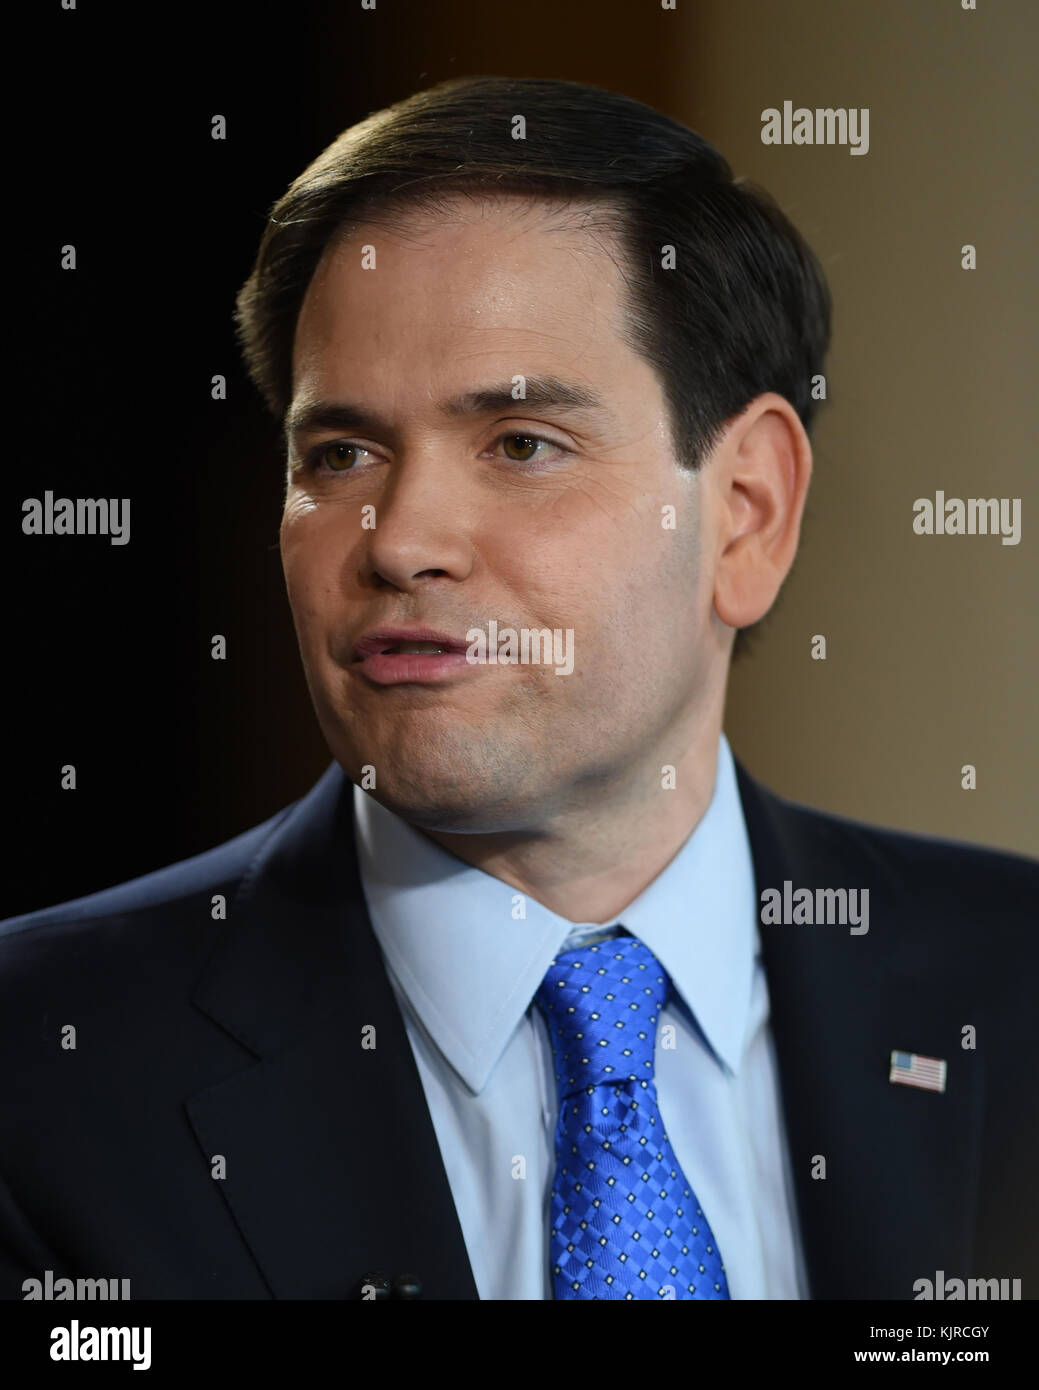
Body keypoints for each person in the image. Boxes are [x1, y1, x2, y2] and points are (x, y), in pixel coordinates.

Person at [2, 76, 1036, 1302]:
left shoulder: (1009, 982)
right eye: (339, 455)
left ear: (745, 513)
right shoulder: (40, 1070)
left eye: (520, 444)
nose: (399, 541)